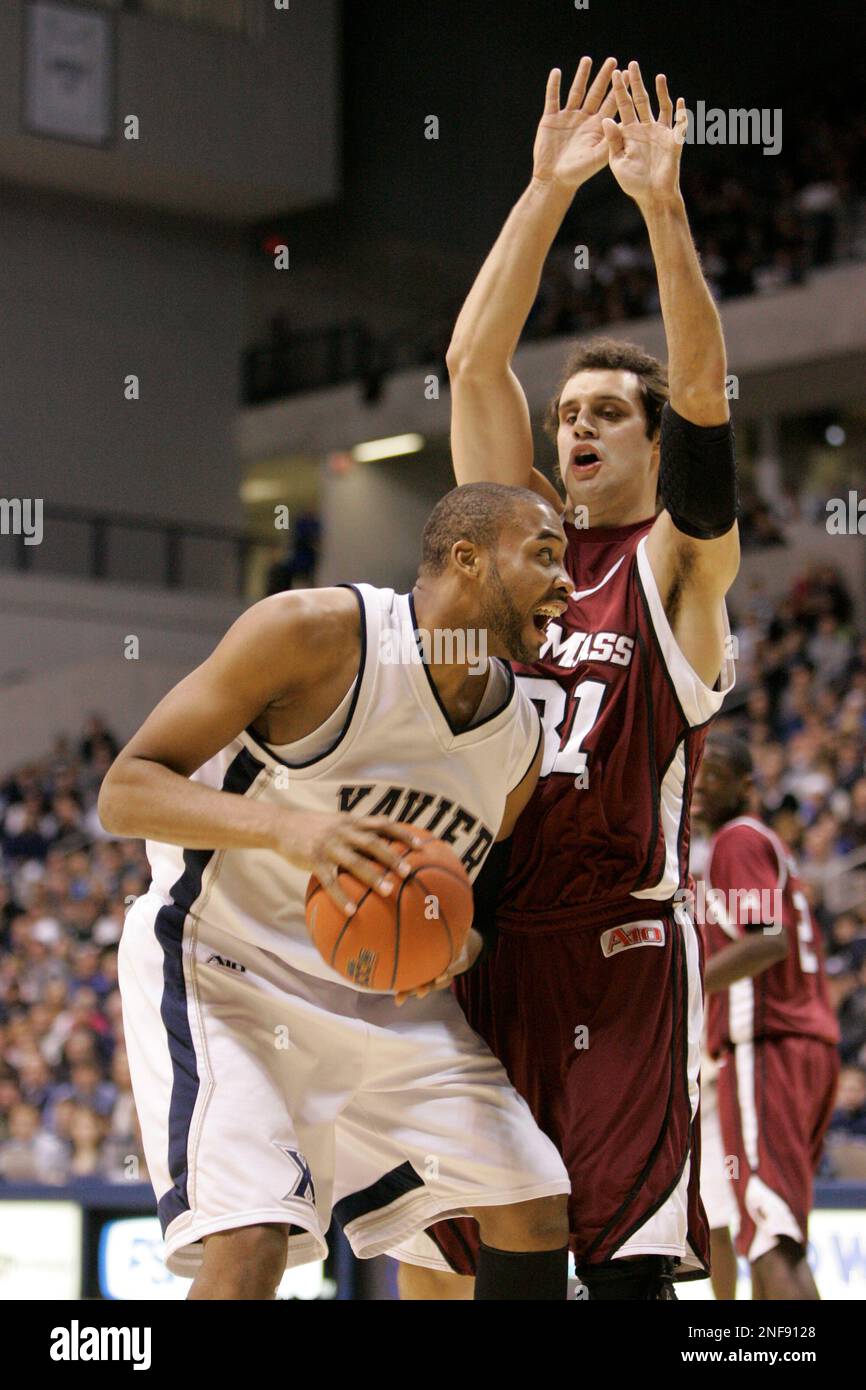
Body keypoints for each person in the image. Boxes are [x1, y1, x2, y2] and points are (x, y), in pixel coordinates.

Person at [396, 56, 739, 1300]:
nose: (575, 427)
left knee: (622, 1270)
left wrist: (657, 208)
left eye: (606, 411)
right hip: (477, 937)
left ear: (648, 442)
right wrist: (544, 191)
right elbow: (472, 362)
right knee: (465, 1272)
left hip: (620, 951)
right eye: (566, 415)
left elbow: (702, 396)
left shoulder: (673, 574)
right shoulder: (510, 558)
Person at [100, 483, 576, 1300]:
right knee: (249, 1248)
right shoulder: (312, 633)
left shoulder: (520, 739)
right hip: (226, 968)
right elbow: (126, 791)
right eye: (545, 555)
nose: (568, 583)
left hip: (382, 1004)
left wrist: (452, 946)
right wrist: (291, 830)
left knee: (532, 1202)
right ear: (467, 558)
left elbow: (477, 910)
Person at [695, 733, 840, 1300]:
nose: (701, 785)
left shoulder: (738, 840)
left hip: (767, 1047)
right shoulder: (760, 846)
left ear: (747, 786)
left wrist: (690, 982)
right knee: (773, 1232)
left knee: (767, 1239)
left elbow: (769, 940)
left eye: (716, 775)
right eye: (696, 773)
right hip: (803, 1048)